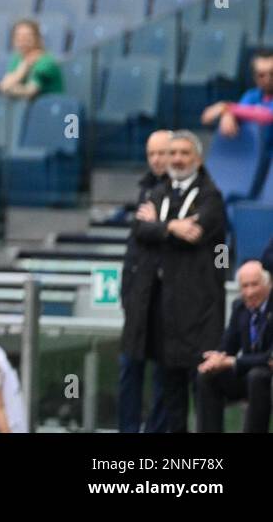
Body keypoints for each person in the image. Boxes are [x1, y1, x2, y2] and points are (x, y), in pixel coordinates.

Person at [124, 130, 228, 432]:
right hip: (164, 313)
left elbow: (198, 232)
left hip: (199, 312)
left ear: (197, 158)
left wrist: (158, 227)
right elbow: (139, 232)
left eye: (184, 153)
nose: (177, 159)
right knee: (170, 395)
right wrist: (171, 227)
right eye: (173, 154)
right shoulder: (158, 193)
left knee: (204, 390)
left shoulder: (210, 194)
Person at [118, 130, 174, 433]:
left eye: (162, 153)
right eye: (151, 153)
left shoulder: (185, 191)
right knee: (129, 367)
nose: (156, 159)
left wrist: (159, 225)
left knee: (164, 374)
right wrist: (126, 290)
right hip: (138, 294)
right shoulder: (145, 189)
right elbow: (137, 244)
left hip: (165, 296)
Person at [195, 261, 272, 433]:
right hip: (248, 370)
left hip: (266, 375)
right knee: (207, 376)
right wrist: (217, 358)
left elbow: (270, 357)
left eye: (255, 284)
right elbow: (228, 344)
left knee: (257, 377)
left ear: (268, 284)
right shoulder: (239, 306)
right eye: (245, 286)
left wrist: (233, 361)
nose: (250, 291)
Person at [0, 20, 63, 99]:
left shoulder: (45, 62)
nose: (22, 40)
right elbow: (6, 82)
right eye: (18, 36)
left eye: (27, 36)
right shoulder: (18, 58)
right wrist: (23, 67)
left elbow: (29, 92)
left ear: (38, 39)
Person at [202, 50, 273, 137]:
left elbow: (268, 116)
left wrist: (225, 107)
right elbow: (242, 111)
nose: (267, 79)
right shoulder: (252, 95)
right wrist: (228, 114)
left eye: (272, 73)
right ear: (254, 76)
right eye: (261, 75)